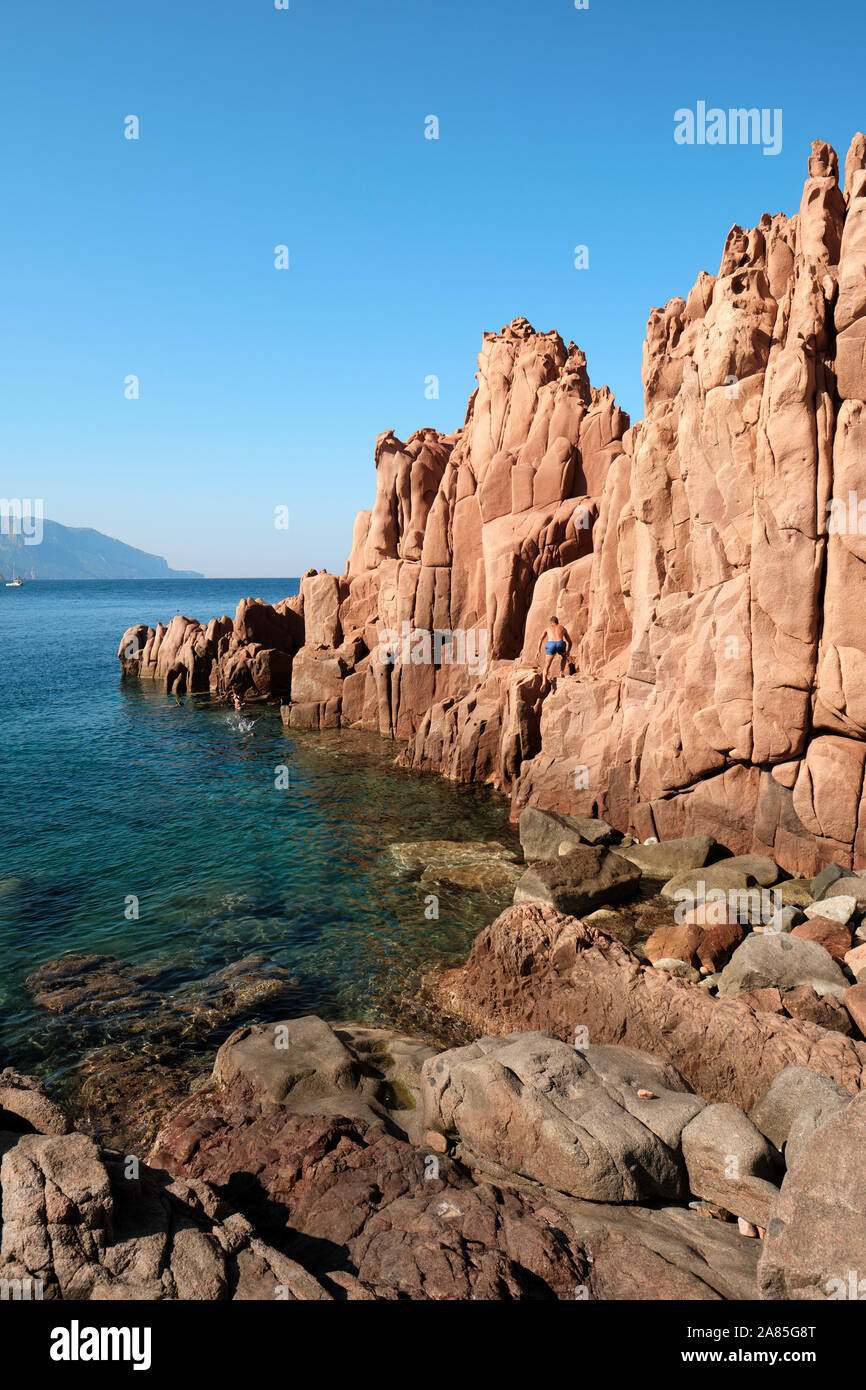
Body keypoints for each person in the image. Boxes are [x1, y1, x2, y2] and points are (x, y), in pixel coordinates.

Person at [537, 616, 572, 684]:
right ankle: (561, 672)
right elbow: (570, 642)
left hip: (551, 644)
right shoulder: (562, 628)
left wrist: (538, 650)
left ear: (551, 623)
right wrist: (568, 652)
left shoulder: (547, 629)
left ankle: (544, 680)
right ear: (557, 622)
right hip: (560, 643)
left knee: (547, 665)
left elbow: (540, 639)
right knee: (564, 657)